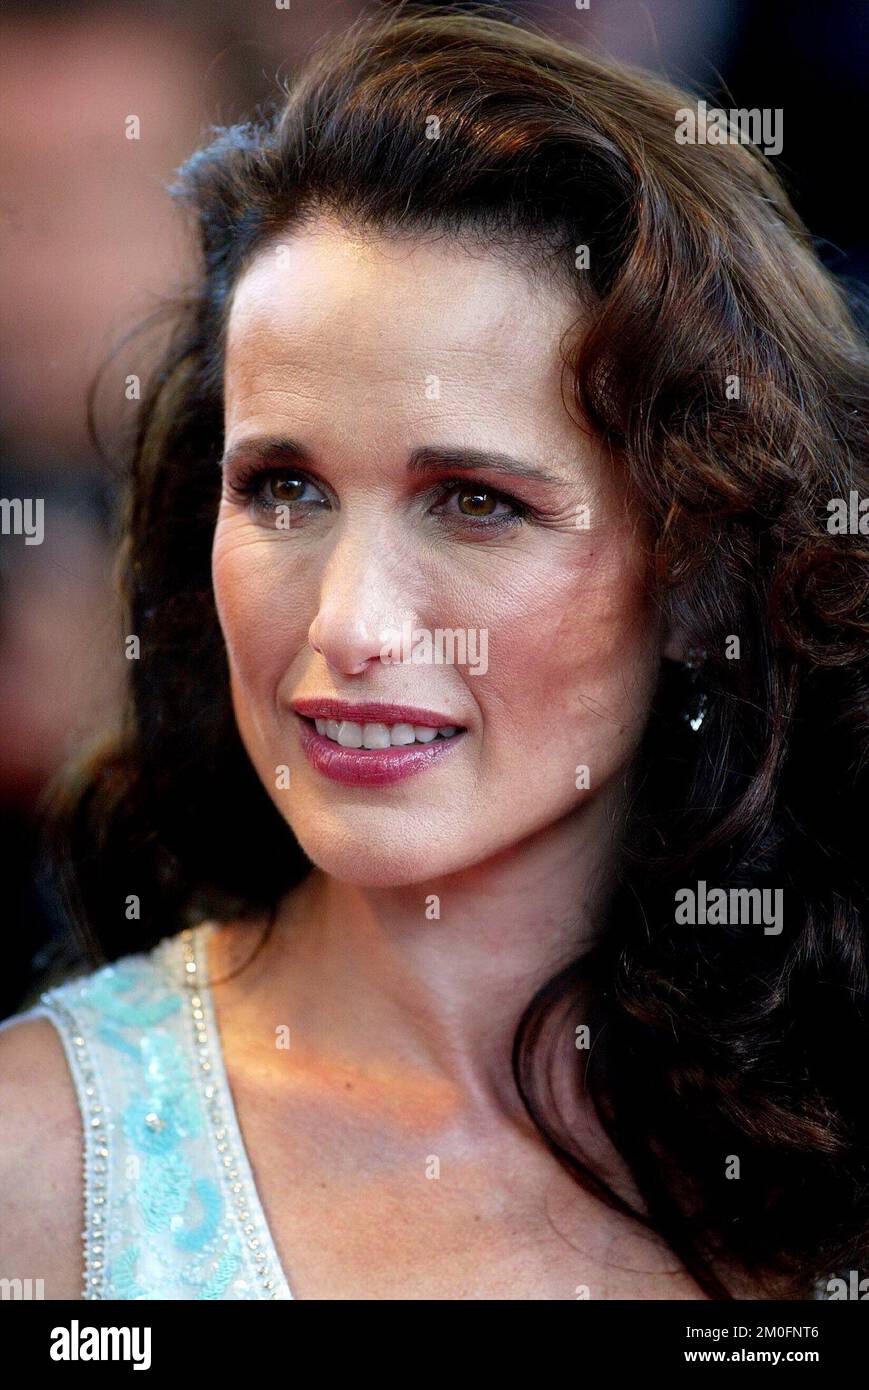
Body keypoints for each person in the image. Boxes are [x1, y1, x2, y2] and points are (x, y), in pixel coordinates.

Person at [1, 6, 866, 1301]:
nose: (348, 625)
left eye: (474, 501)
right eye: (283, 490)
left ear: (701, 573)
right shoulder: (38, 1169)